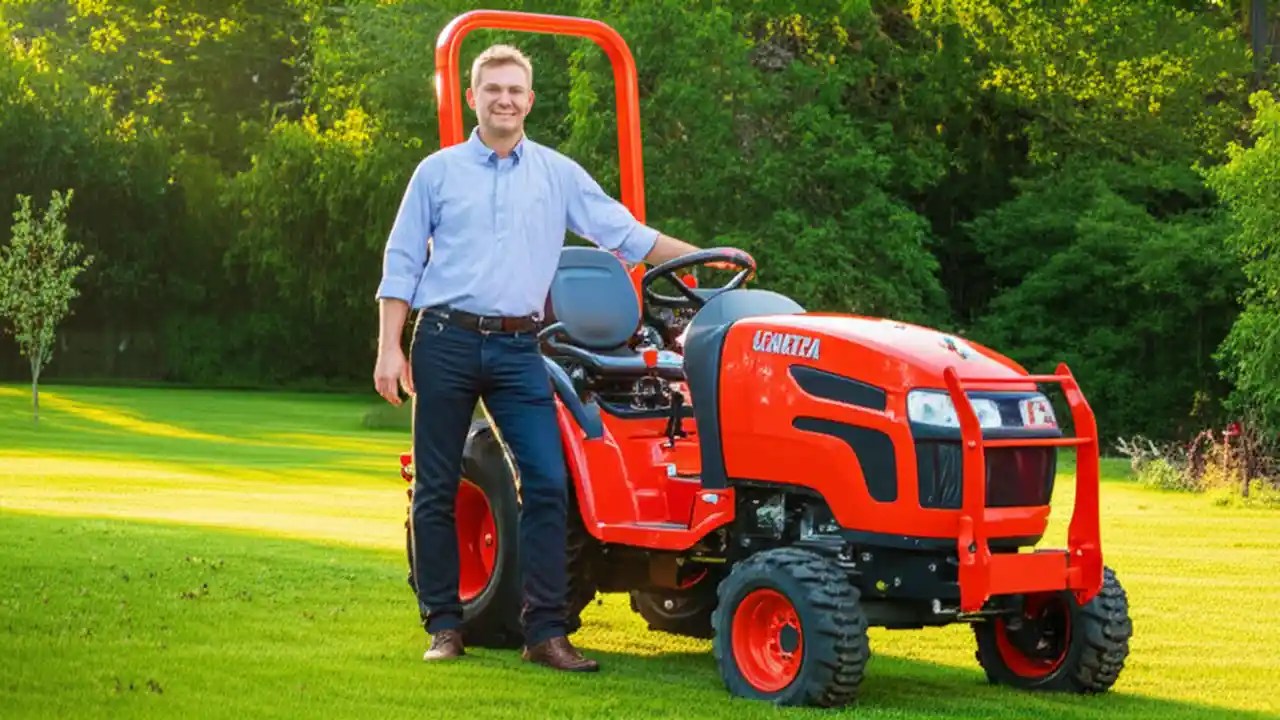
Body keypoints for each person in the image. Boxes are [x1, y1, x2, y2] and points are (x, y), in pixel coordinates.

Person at [372, 44, 706, 673]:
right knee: (437, 486)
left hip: (519, 345)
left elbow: (626, 234)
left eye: (515, 89)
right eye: (492, 88)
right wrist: (390, 347)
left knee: (549, 483)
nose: (504, 98)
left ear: (530, 100)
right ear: (472, 97)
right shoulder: (437, 172)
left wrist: (707, 256)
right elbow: (402, 262)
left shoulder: (557, 174)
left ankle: (545, 633)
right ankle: (445, 625)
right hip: (443, 338)